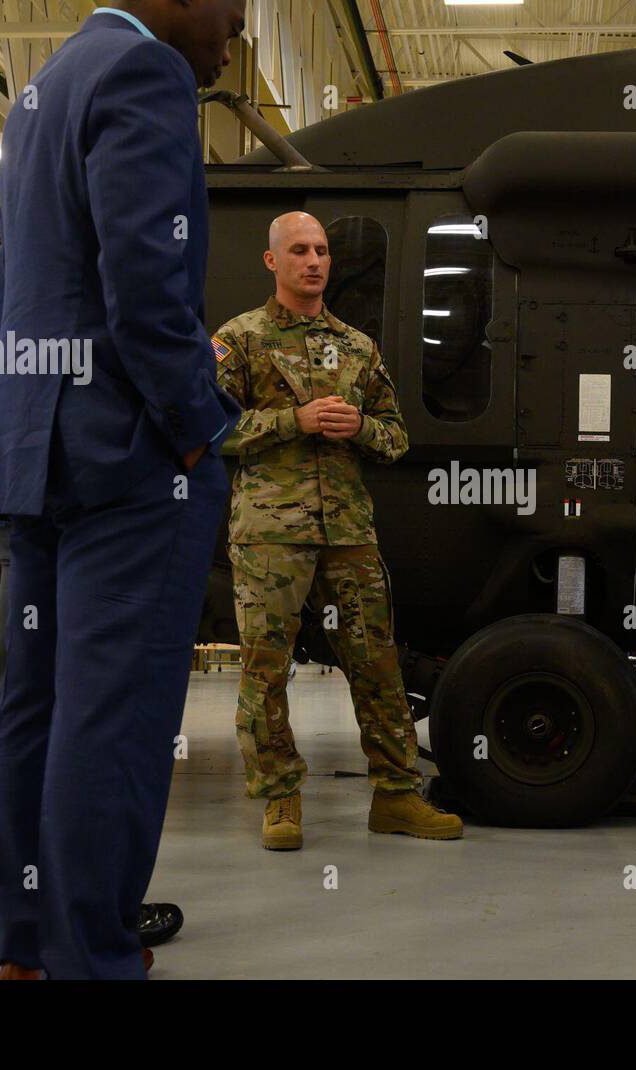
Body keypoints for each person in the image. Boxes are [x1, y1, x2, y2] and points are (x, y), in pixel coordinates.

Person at [0, 0, 244, 978]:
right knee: (112, 719)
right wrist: (201, 427)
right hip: (123, 459)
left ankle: (29, 945)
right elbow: (144, 280)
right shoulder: (145, 72)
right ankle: (93, 955)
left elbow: (10, 284)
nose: (236, 34)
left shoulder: (40, 92)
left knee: (35, 709)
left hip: (28, 450)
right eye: (234, 10)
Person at [212, 211, 462, 849]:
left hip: (348, 529)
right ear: (273, 261)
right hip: (271, 532)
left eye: (321, 250)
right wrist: (294, 420)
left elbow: (397, 435)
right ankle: (280, 801)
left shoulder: (357, 346)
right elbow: (210, 432)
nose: (314, 261)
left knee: (376, 664)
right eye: (299, 250)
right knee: (265, 671)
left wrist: (362, 430)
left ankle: (398, 796)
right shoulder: (238, 340)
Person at [0, 249, 183, 956]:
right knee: (55, 694)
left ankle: (11, 894)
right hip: (64, 470)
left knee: (24, 690)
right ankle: (52, 899)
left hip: (19, 466)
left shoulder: (14, 256)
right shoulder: (89, 236)